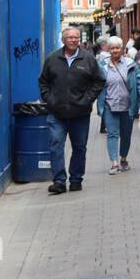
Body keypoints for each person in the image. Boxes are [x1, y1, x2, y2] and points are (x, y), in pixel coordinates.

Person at [38, 26, 105, 195]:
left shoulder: (88, 59)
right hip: (57, 113)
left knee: (79, 148)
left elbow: (99, 81)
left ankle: (76, 179)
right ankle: (59, 181)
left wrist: (87, 100)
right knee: (55, 146)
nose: (73, 40)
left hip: (80, 114)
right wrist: (49, 100)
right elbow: (43, 82)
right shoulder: (52, 59)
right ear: (63, 40)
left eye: (76, 37)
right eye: (70, 37)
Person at [97, 35, 140, 175]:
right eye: (112, 48)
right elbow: (96, 84)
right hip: (110, 105)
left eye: (117, 48)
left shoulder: (130, 64)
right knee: (112, 134)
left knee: (126, 135)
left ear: (122, 49)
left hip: (128, 106)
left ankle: (123, 158)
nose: (115, 50)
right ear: (108, 49)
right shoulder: (102, 65)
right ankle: (114, 163)